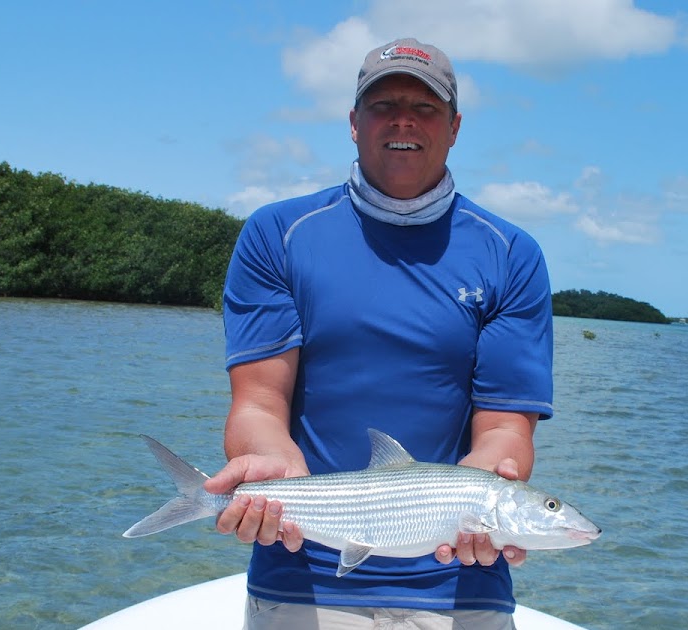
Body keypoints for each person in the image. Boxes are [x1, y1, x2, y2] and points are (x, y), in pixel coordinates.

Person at [205, 37, 554, 629]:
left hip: (462, 584)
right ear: (353, 121)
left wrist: (492, 497)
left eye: (424, 108)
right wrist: (266, 466)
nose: (403, 122)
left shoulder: (511, 255)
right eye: (384, 104)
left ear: (455, 126)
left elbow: (503, 428)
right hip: (300, 572)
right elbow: (259, 402)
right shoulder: (278, 234)